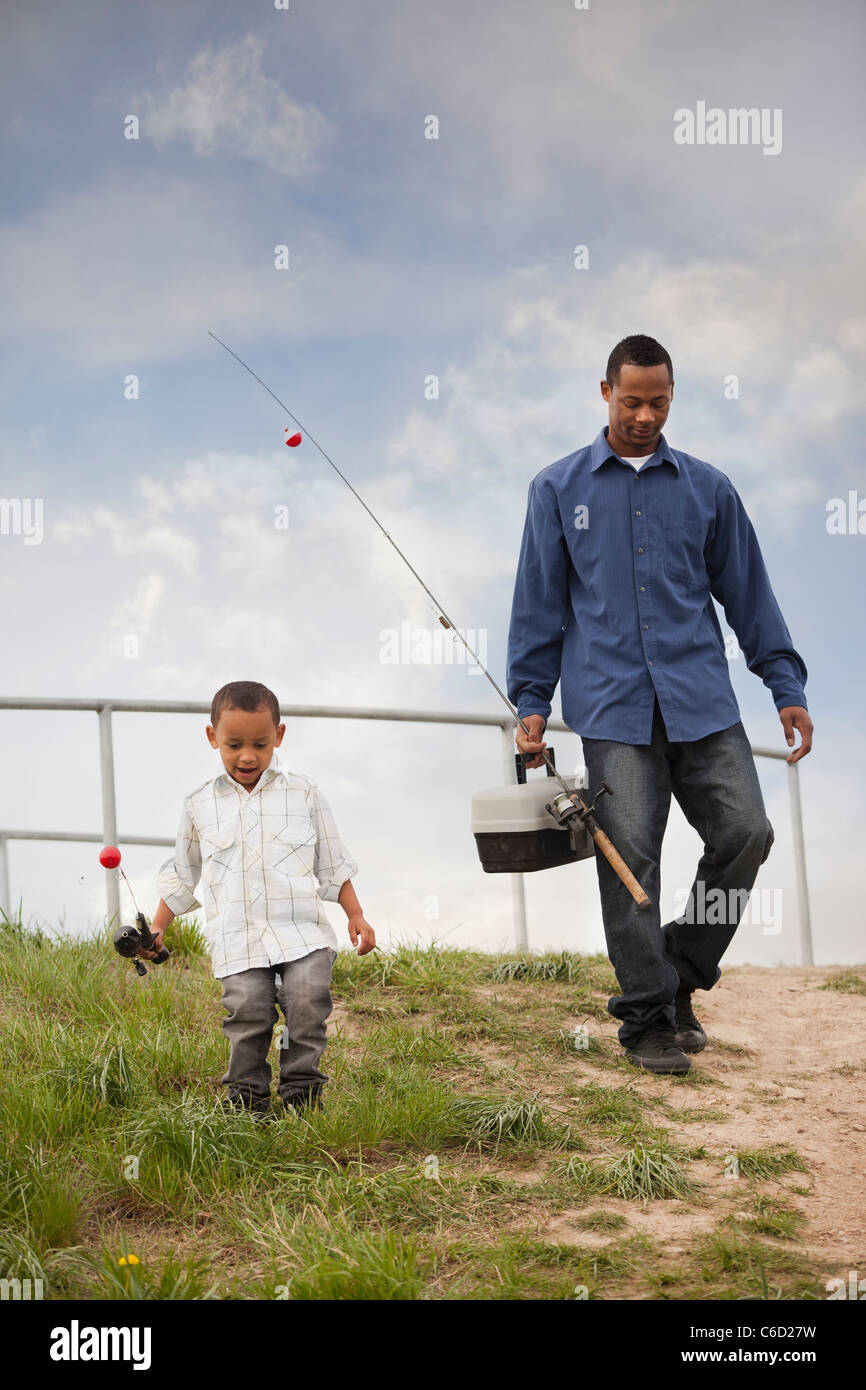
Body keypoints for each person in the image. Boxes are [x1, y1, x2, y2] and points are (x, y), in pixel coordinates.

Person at [506, 335, 812, 1076]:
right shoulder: (556, 489)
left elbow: (750, 595)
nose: (645, 415)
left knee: (748, 833)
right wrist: (531, 701)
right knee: (631, 861)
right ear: (604, 391)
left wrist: (786, 687)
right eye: (632, 400)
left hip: (703, 702)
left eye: (659, 402)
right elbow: (538, 605)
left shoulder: (709, 489)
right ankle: (646, 1017)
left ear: (672, 398)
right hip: (611, 711)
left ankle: (680, 968)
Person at [140, 679, 375, 1113]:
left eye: (260, 744)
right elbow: (181, 874)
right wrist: (156, 930)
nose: (247, 756)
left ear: (279, 736)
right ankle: (247, 1101)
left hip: (303, 932)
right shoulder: (198, 805)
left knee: (307, 1003)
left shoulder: (304, 793)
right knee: (247, 1013)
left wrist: (355, 914)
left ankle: (302, 1094)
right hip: (239, 937)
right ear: (212, 738)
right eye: (234, 744)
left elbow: (333, 861)